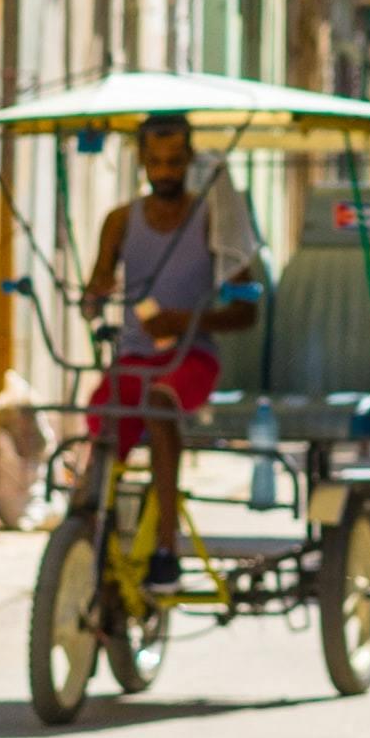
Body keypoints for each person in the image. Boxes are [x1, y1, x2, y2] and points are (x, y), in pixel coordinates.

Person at [72, 113, 261, 586]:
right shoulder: (119, 221)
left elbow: (247, 312)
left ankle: (165, 546)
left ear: (189, 160)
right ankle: (87, 531)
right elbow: (97, 285)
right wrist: (93, 298)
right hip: (135, 357)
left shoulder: (211, 219)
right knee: (103, 414)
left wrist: (188, 321)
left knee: (160, 402)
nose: (165, 172)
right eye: (155, 162)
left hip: (193, 358)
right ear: (141, 162)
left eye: (175, 162)